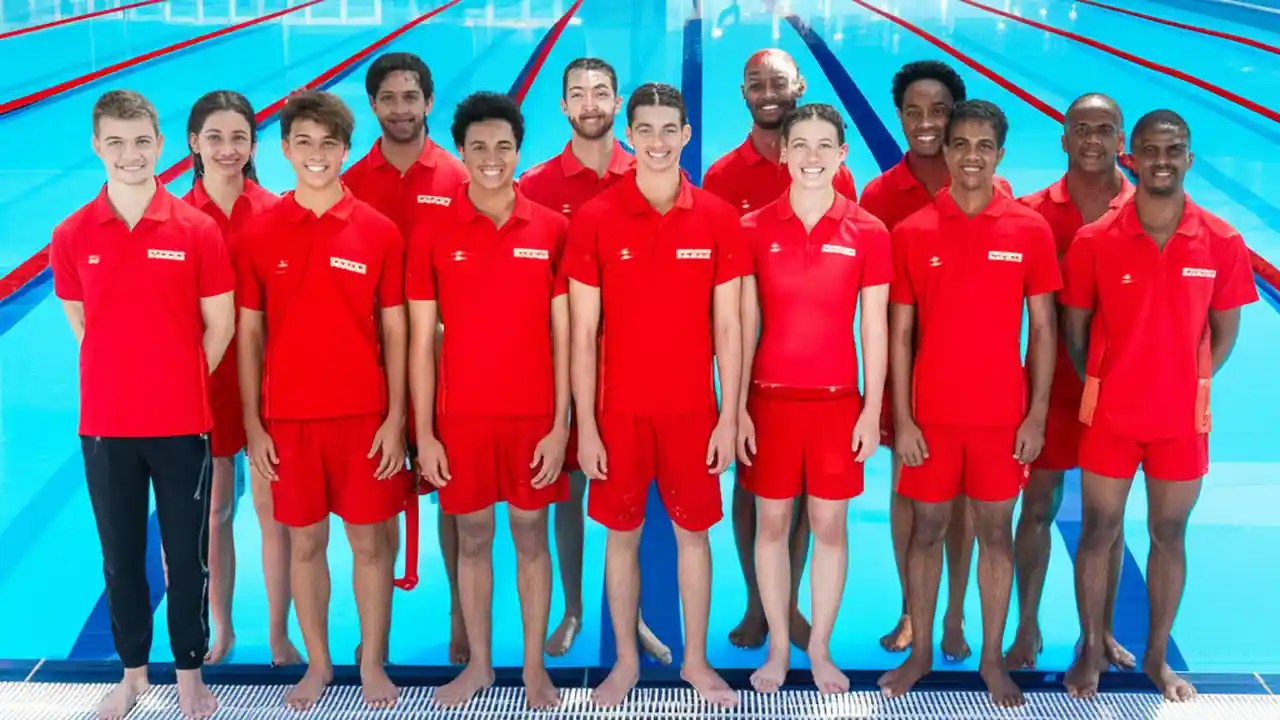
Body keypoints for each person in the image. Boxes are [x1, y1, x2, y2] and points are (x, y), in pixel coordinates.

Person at [1061, 110, 1257, 702]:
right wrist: (1103, 382)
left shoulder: (1222, 241)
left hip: (1180, 423)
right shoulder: (1095, 240)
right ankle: (1091, 648)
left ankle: (1155, 657)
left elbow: (1225, 332)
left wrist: (1187, 380)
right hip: (1111, 419)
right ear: (1132, 157)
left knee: (1169, 533)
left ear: (1188, 158)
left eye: (1173, 149)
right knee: (1098, 530)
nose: (1162, 160)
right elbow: (1076, 329)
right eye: (1150, 150)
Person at [51, 89, 231, 720]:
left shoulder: (197, 230)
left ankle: (188, 674)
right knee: (120, 556)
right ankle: (132, 674)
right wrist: (125, 376)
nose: (130, 155)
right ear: (97, 147)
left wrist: (172, 378)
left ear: (159, 145)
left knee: (187, 558)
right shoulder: (71, 234)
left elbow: (220, 325)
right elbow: (82, 322)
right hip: (105, 425)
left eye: (141, 142)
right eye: (116, 142)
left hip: (181, 424)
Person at [566, 83, 744, 709]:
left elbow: (729, 328)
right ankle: (624, 662)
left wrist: (731, 413)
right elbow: (583, 334)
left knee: (695, 536)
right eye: (647, 129)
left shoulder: (719, 218)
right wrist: (585, 425)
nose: (660, 142)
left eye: (671, 129)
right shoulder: (595, 218)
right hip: (619, 413)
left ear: (687, 134)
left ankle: (695, 660)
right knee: (622, 536)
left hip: (694, 411)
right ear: (629, 134)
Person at [877, 100, 1060, 709]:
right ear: (946, 150)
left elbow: (1043, 332)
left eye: (985, 145)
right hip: (931, 416)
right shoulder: (913, 232)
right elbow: (900, 334)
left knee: (995, 534)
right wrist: (901, 418)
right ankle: (922, 651)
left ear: (1000, 153)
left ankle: (989, 660)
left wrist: (1035, 415)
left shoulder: (1029, 229)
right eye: (961, 144)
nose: (972, 155)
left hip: (1001, 419)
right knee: (926, 530)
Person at [237, 90, 406, 711]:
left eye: (328, 143)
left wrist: (396, 419)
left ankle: (370, 665)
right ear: (283, 150)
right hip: (289, 422)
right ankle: (320, 665)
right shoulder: (258, 234)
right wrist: (255, 423)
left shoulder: (379, 233)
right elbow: (250, 334)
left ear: (344, 150)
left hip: (364, 420)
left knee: (370, 546)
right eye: (302, 143)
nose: (316, 155)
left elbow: (396, 332)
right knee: (305, 545)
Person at [408, 92, 569, 710]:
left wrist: (561, 427)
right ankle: (480, 665)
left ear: (519, 150)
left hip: (533, 418)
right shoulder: (433, 232)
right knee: (472, 539)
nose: (492, 158)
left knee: (532, 537)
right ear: (461, 152)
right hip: (463, 419)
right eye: (479, 147)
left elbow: (567, 340)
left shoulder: (552, 230)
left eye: (503, 146)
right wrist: (424, 433)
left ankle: (531, 668)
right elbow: (422, 343)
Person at [703, 46, 858, 653]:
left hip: (815, 371)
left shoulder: (832, 168)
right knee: (755, 491)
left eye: (778, 82)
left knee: (805, 500)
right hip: (750, 366)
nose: (768, 91)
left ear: (800, 86)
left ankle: (790, 600)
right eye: (755, 81)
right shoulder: (721, 177)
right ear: (743, 92)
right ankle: (755, 599)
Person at [519, 56, 670, 665]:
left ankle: (637, 620)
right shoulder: (536, 185)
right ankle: (576, 608)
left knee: (634, 496)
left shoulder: (650, 172)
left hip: (638, 365)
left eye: (601, 93)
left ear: (618, 103)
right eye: (578, 94)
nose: (590, 103)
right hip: (562, 364)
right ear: (562, 106)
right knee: (570, 490)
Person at [736, 103, 890, 695]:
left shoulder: (868, 233)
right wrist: (738, 407)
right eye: (800, 145)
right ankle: (779, 646)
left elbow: (872, 328)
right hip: (770, 401)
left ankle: (818, 648)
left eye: (825, 146)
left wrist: (871, 409)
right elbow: (743, 327)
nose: (812, 157)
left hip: (835, 405)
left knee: (829, 526)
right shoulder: (753, 229)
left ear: (842, 154)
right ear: (783, 153)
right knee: (771, 525)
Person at [859, 60, 1009, 658]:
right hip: (906, 371)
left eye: (939, 111)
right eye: (913, 111)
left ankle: (954, 615)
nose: (925, 123)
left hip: (972, 374)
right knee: (908, 492)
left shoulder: (995, 193)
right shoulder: (878, 195)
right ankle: (910, 609)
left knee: (969, 499)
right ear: (898, 117)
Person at [342, 51, 469, 666]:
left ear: (428, 101)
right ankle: (377, 640)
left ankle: (459, 615)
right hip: (366, 368)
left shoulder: (458, 175)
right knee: (376, 498)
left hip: (448, 366)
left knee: (453, 494)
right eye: (388, 98)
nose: (400, 109)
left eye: (410, 96)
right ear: (373, 106)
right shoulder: (349, 180)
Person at [1006, 93, 1134, 672]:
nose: (1091, 139)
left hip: (1122, 392)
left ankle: (1099, 633)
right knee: (1036, 506)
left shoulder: (1148, 208)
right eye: (1080, 128)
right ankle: (1027, 627)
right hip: (1052, 389)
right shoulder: (1033, 214)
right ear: (1062, 138)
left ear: (1121, 141)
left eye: (1104, 129)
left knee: (1110, 520)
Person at [181, 90, 304, 668]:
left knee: (272, 510)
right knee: (214, 514)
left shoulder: (278, 212)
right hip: (201, 383)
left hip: (269, 384)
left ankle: (279, 634)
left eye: (238, 138)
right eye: (214, 138)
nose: (227, 150)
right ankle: (222, 630)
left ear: (254, 145)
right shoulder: (177, 218)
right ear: (193, 144)